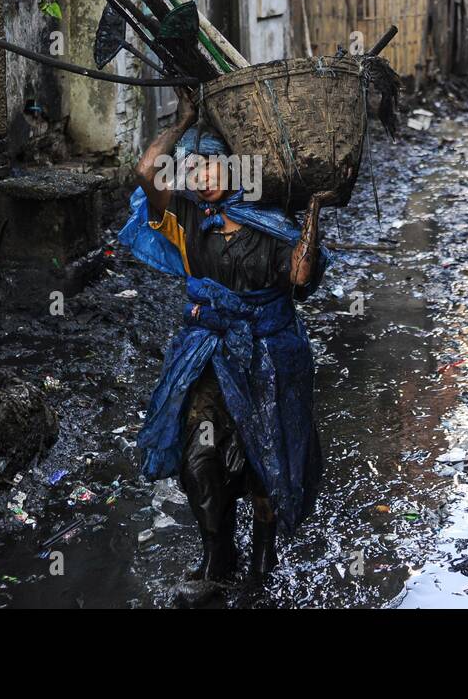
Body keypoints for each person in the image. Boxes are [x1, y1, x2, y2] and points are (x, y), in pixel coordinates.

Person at [119, 87, 338, 589]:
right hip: (210, 350)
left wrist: (313, 213)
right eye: (191, 169)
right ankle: (218, 554)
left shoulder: (272, 220)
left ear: (235, 168)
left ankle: (263, 552)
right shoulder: (187, 216)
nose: (200, 178)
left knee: (265, 456)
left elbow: (300, 277)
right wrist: (183, 120)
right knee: (199, 459)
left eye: (210, 167)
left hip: (270, 351)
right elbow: (146, 172)